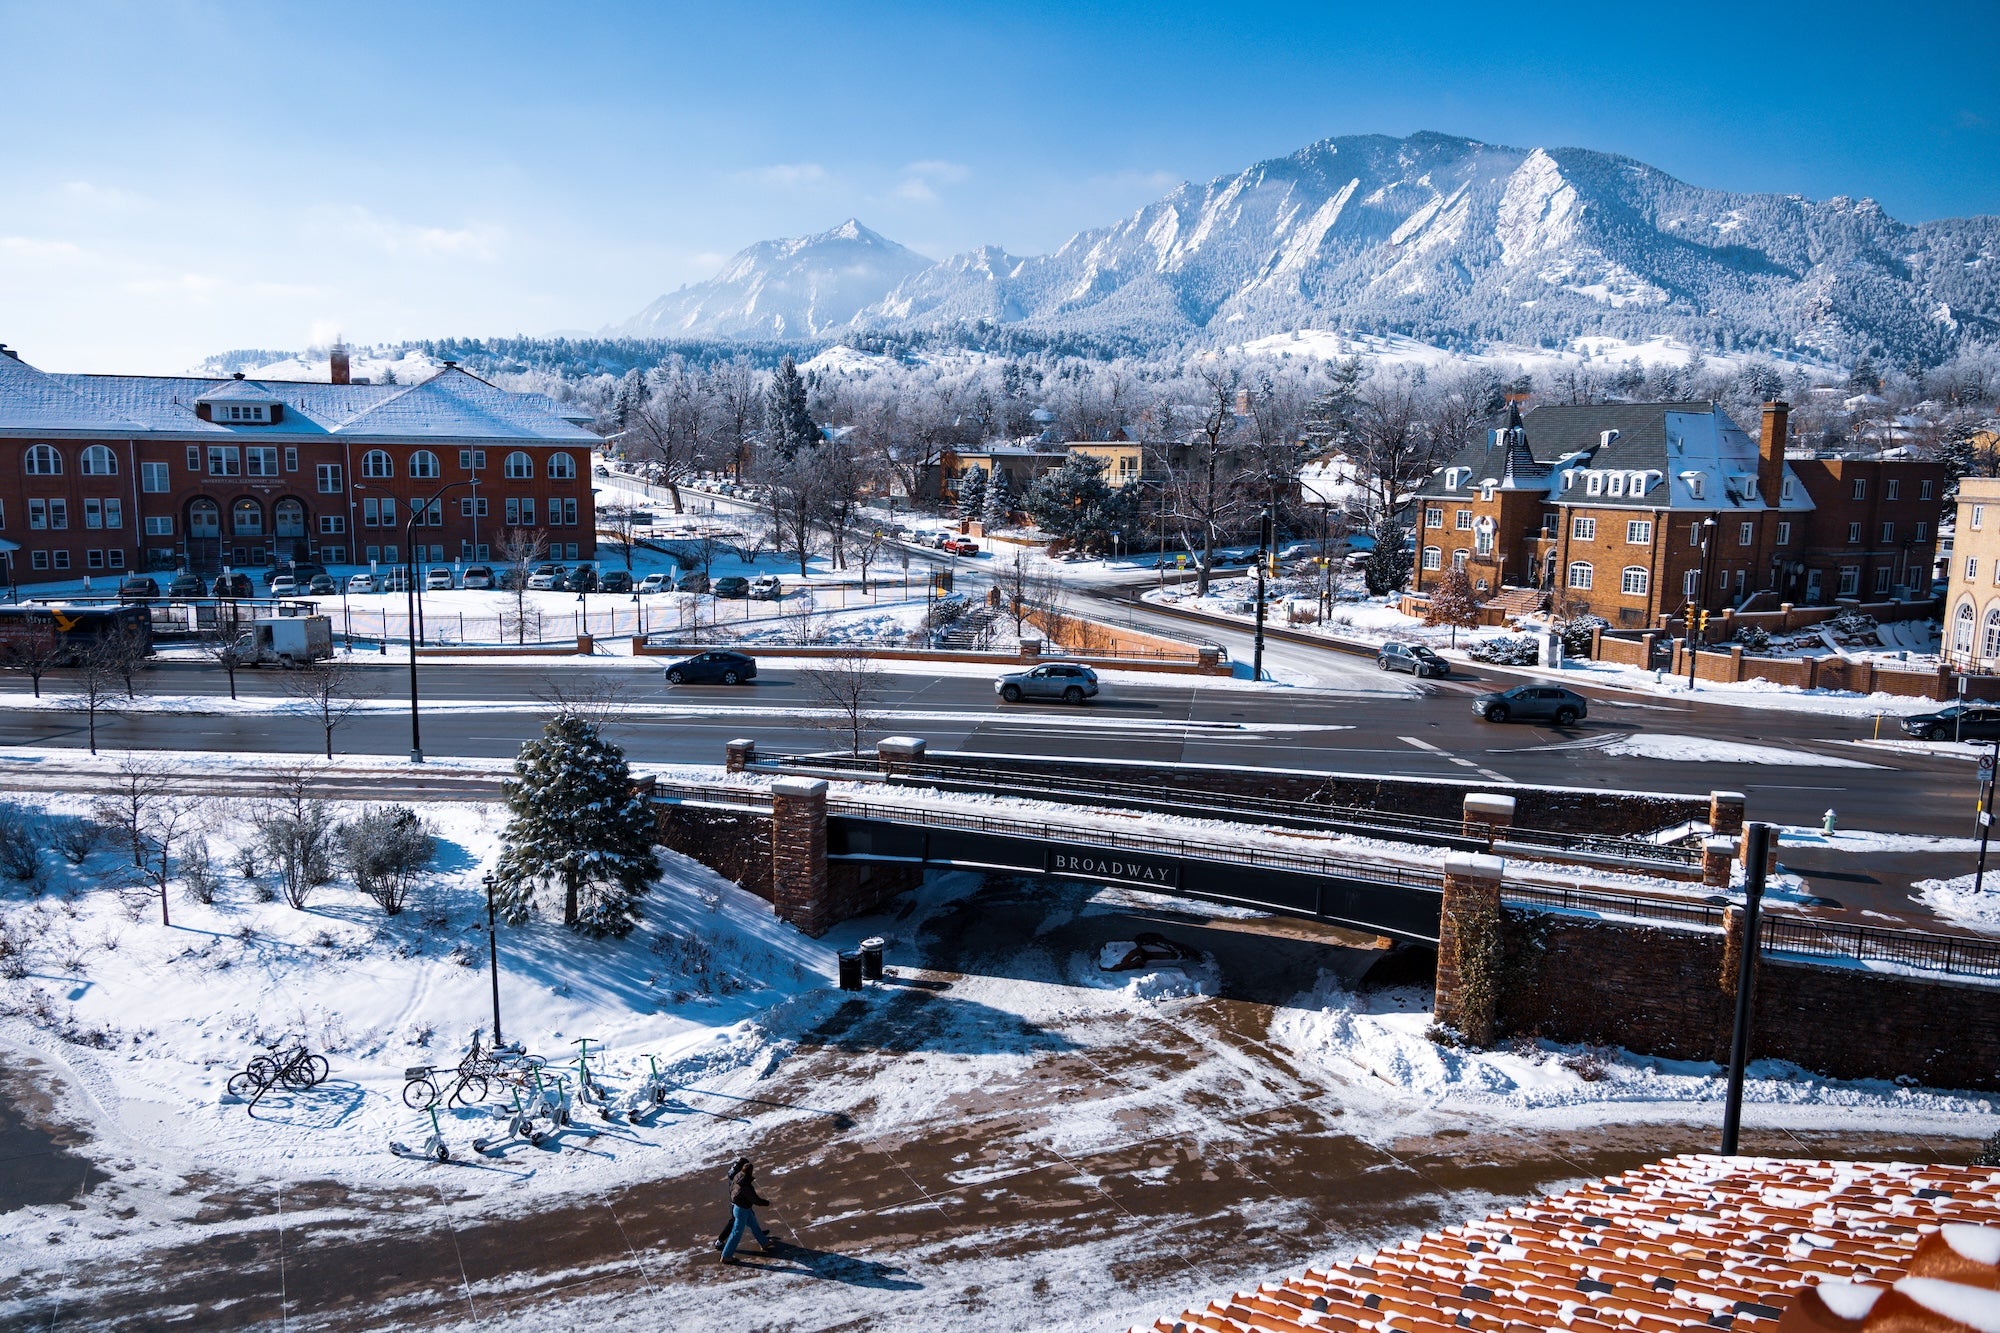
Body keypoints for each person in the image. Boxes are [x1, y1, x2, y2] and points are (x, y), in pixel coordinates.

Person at [718, 1157, 776, 1263]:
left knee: (754, 1225)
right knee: (736, 1233)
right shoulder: (745, 1185)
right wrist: (767, 1203)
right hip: (742, 1210)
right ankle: (726, 1255)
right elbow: (755, 1199)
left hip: (740, 1207)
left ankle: (764, 1243)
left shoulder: (737, 1177)